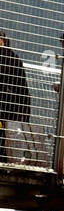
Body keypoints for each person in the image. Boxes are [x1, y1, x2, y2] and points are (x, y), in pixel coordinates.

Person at [0, 30, 33, 164]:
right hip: (13, 111)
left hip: (7, 108)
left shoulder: (9, 58)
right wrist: (25, 117)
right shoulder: (14, 58)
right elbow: (23, 90)